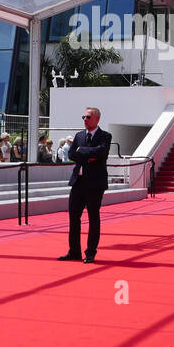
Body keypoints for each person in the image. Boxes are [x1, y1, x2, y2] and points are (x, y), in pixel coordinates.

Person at [59, 107, 112, 264]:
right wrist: (88, 154)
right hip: (78, 182)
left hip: (95, 183)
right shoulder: (79, 135)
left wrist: (82, 151)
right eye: (83, 116)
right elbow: (71, 154)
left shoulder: (105, 136)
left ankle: (90, 253)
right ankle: (74, 251)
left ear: (96, 119)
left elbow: (102, 152)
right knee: (73, 217)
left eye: (88, 117)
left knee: (93, 218)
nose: (85, 119)